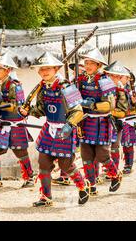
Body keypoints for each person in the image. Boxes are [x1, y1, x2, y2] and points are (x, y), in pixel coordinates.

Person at [19, 52, 89, 207]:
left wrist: (69, 126)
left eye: (48, 68)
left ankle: (83, 187)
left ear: (56, 69)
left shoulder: (67, 87)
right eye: (41, 69)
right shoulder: (42, 88)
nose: (44, 71)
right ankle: (46, 197)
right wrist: (28, 111)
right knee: (43, 163)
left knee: (66, 165)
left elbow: (78, 111)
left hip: (65, 129)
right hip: (49, 129)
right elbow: (41, 110)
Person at [0, 52, 35, 188]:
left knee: (20, 151)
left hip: (15, 124)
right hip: (2, 123)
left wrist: (0, 101)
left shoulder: (15, 85)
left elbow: (17, 106)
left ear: (7, 70)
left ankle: (30, 177)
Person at [77, 48, 122, 195]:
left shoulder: (105, 80)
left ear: (98, 65)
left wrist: (93, 105)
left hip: (102, 121)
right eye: (86, 62)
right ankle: (91, 185)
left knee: (102, 154)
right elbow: (72, 98)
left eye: (91, 63)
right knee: (86, 155)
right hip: (85, 121)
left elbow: (110, 105)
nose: (88, 65)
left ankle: (115, 175)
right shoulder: (80, 79)